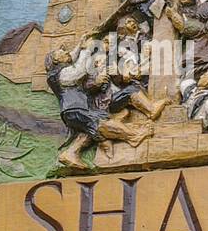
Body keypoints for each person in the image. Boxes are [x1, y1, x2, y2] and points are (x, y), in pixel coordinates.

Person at [45, 41, 152, 169]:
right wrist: (87, 50)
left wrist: (80, 44)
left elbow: (72, 56)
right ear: (56, 60)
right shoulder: (62, 74)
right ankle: (134, 136)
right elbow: (80, 70)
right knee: (101, 122)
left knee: (90, 127)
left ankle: (71, 153)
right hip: (75, 108)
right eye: (62, 52)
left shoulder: (60, 71)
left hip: (78, 109)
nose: (67, 52)